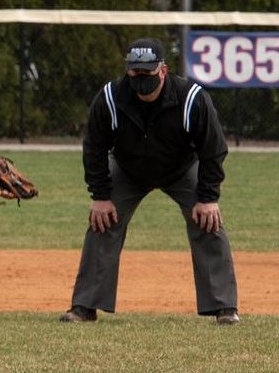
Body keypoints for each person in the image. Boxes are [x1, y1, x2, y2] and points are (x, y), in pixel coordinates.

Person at [59, 37, 239, 325]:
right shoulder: (110, 97)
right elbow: (94, 148)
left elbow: (213, 149)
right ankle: (84, 306)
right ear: (127, 71)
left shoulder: (191, 98)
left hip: (181, 168)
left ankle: (224, 306)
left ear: (163, 70)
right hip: (128, 169)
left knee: (207, 221)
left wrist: (208, 197)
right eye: (135, 73)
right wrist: (100, 195)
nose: (141, 79)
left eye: (147, 72)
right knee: (102, 221)